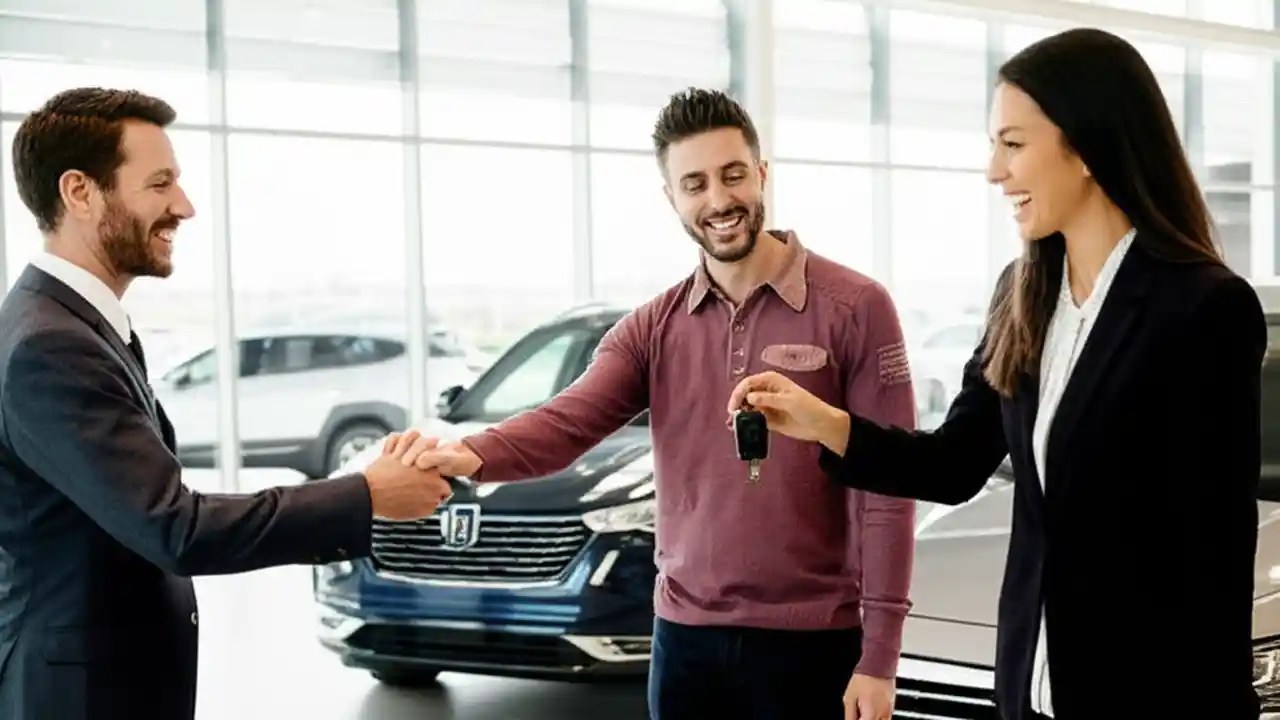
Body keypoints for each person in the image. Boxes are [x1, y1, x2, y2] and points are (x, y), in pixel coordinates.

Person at [728, 27, 1265, 720]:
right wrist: (823, 423)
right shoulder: (1022, 292)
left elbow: (1215, 559)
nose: (993, 170)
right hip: (1028, 693)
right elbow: (956, 463)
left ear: (1088, 144)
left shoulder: (1203, 308)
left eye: (1012, 144)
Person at [388, 87, 916, 720]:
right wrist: (464, 453)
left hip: (815, 641)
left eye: (733, 175)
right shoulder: (652, 327)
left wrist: (880, 657)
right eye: (694, 184)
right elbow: (567, 422)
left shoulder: (856, 307)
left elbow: (889, 490)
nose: (719, 200)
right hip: (684, 642)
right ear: (673, 199)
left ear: (762, 174)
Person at [0, 87, 453, 720]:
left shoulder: (70, 325)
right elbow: (174, 526)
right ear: (79, 192)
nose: (182, 207)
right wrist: (366, 493)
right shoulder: (51, 344)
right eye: (160, 184)